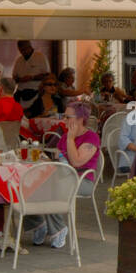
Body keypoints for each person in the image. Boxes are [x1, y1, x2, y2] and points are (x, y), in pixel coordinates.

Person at [28, 103, 102, 249]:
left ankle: (59, 228)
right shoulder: (64, 137)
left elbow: (76, 162)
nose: (64, 120)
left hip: (83, 180)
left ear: (81, 119)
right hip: (62, 177)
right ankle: (38, 224)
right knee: (29, 182)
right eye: (64, 116)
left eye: (68, 117)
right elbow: (59, 161)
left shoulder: (91, 138)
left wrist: (70, 139)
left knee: (49, 186)